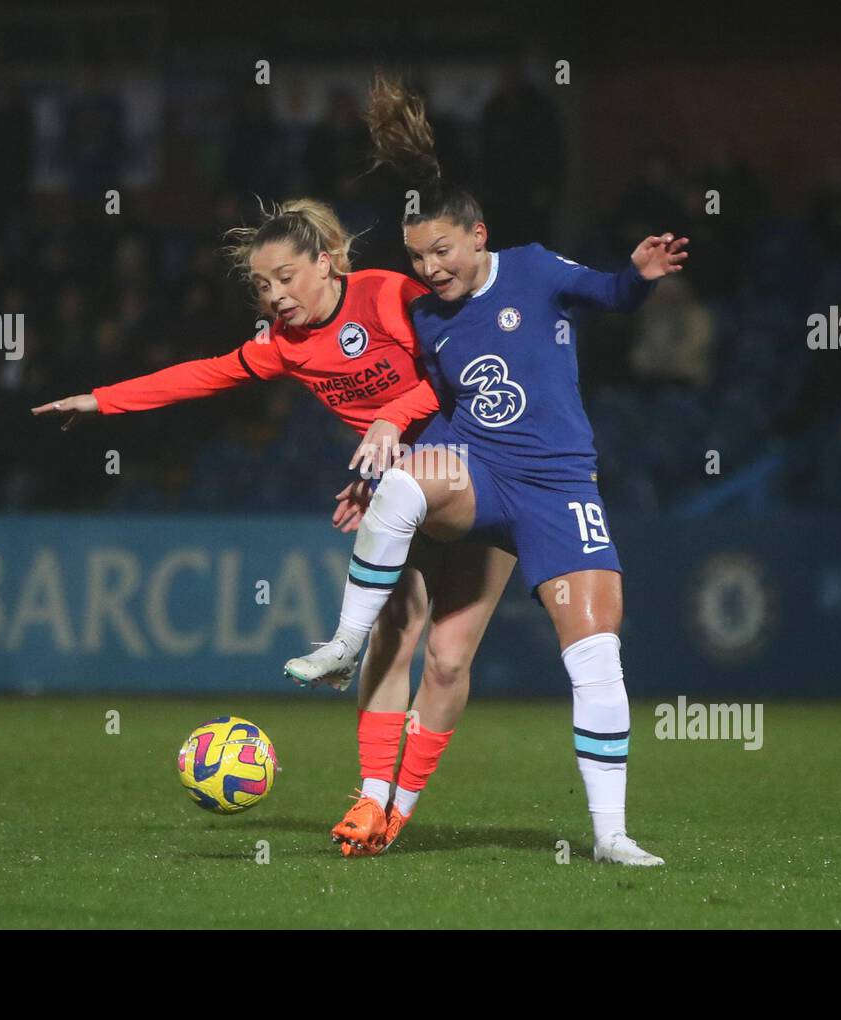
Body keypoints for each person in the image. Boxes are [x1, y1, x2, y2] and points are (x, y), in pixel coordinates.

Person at [30, 197, 519, 857]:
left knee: (449, 659)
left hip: (480, 467)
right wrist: (103, 400)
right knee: (394, 635)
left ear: (326, 263)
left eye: (287, 277)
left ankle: (401, 800)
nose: (276, 295)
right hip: (407, 483)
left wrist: (389, 425)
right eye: (262, 285)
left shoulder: (385, 296)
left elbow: (456, 376)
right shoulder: (285, 346)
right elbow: (204, 375)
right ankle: (374, 801)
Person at [286, 74, 688, 866]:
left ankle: (610, 835)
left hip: (559, 486)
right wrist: (375, 463)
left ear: (478, 236)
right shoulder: (428, 318)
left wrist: (636, 279)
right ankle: (344, 642)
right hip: (478, 469)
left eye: (442, 251)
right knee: (405, 484)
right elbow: (419, 397)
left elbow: (605, 292)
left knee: (595, 654)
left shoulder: (535, 269)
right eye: (416, 257)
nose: (430, 269)